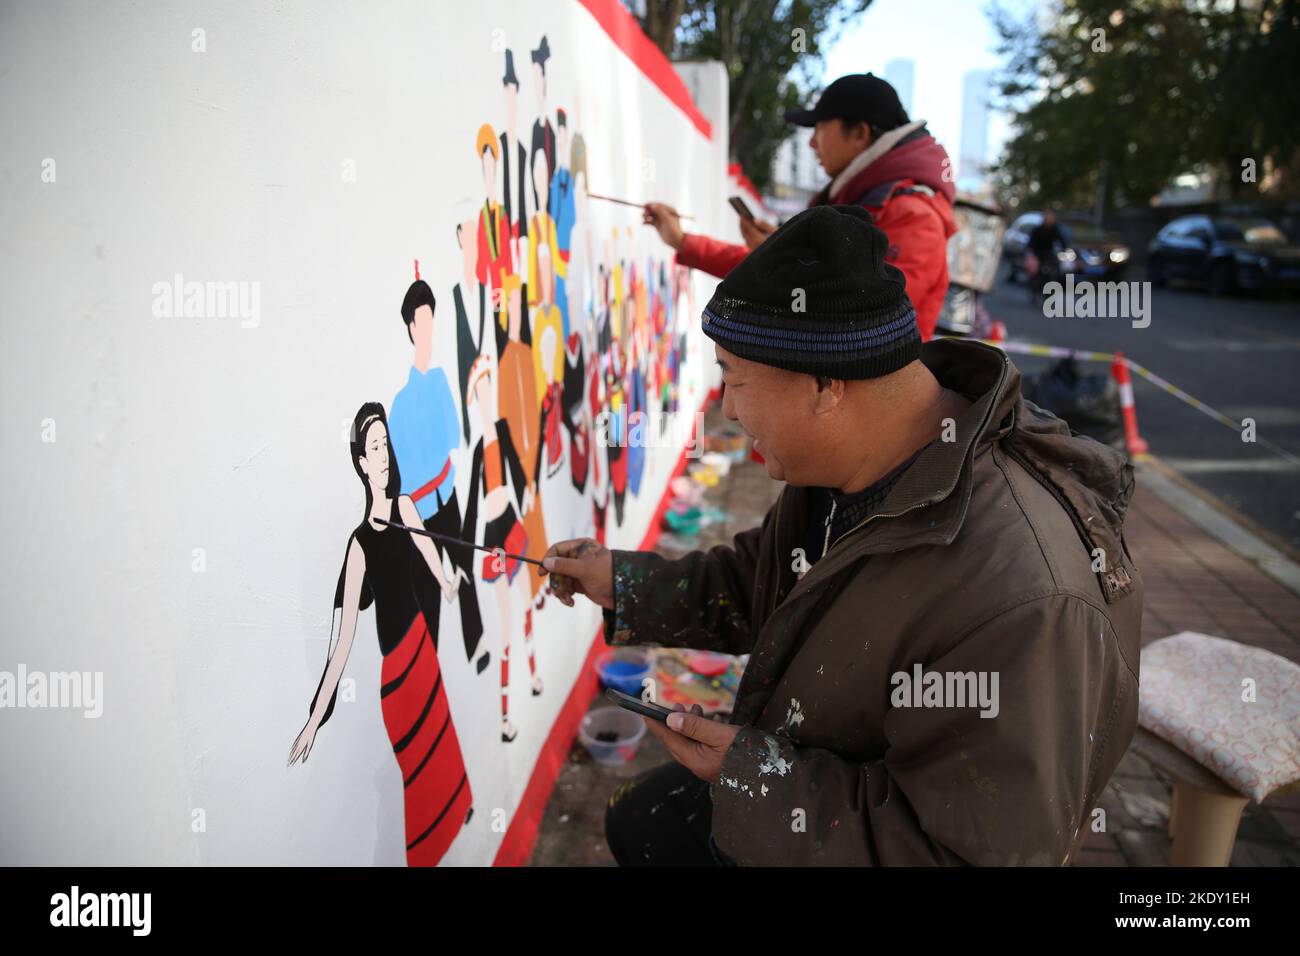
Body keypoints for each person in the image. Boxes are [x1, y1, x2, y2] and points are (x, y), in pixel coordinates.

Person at [542, 206, 1143, 866]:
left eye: (735, 379)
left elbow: (963, 855)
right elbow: (763, 586)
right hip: (819, 785)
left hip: (839, 820)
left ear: (826, 385)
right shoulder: (853, 465)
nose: (726, 408)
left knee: (652, 830)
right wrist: (622, 583)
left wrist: (762, 780)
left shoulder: (1026, 598)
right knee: (640, 820)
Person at [289, 403, 473, 867]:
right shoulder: (359, 545)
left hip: (423, 655)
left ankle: (456, 818)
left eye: (385, 442)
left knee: (443, 747)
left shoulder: (406, 507)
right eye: (374, 447)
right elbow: (344, 638)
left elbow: (429, 549)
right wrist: (315, 716)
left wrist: (449, 584)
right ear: (362, 463)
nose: (384, 452)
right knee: (417, 773)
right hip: (398, 679)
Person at [643, 73, 956, 341]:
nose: (812, 144)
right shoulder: (859, 200)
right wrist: (684, 242)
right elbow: (808, 283)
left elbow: (869, 314)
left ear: (859, 134)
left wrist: (783, 257)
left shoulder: (913, 215)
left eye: (819, 129)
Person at [388, 273, 488, 674]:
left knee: (464, 569)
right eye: (421, 323)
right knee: (427, 593)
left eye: (432, 322)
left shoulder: (442, 380)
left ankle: (476, 644)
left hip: (447, 496)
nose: (427, 331)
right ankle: (428, 671)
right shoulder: (400, 405)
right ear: (411, 328)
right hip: (420, 515)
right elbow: (405, 476)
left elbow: (451, 438)